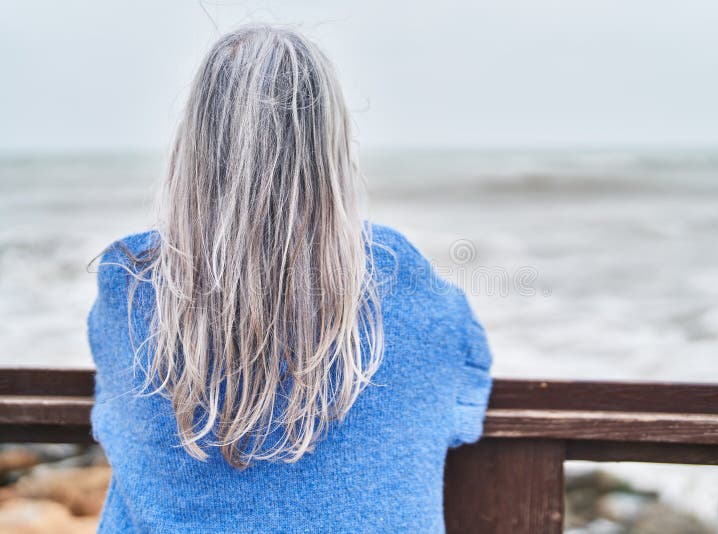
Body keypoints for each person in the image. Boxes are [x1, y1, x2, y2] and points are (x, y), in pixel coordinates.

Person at [88, 24, 492, 533]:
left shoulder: (130, 279)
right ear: (331, 143)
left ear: (193, 141)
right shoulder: (394, 271)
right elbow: (464, 384)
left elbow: (114, 416)